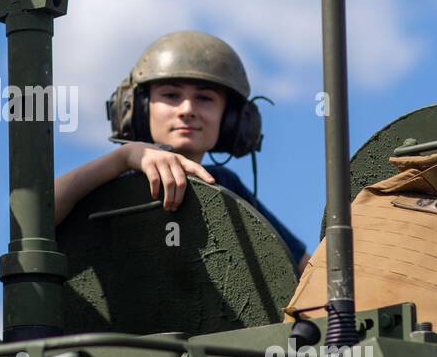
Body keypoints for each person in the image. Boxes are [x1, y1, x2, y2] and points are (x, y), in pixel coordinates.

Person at [55, 31, 309, 269]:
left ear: (232, 119)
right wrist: (124, 157)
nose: (187, 109)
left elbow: (305, 268)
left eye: (205, 98)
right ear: (139, 110)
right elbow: (32, 219)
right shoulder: (112, 182)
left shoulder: (225, 185)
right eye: (171, 95)